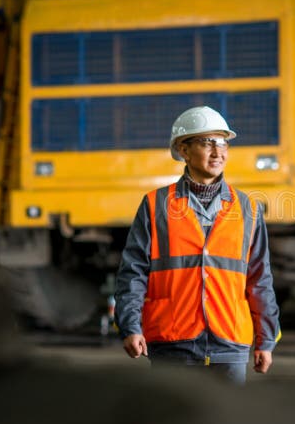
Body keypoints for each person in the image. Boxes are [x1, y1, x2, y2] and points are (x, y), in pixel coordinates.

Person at [115, 105, 281, 385]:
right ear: (183, 149)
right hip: (172, 341)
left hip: (229, 342)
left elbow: (259, 278)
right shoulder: (156, 205)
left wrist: (266, 339)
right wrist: (130, 326)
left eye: (223, 143)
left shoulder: (248, 208)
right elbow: (133, 273)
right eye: (207, 143)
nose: (218, 152)